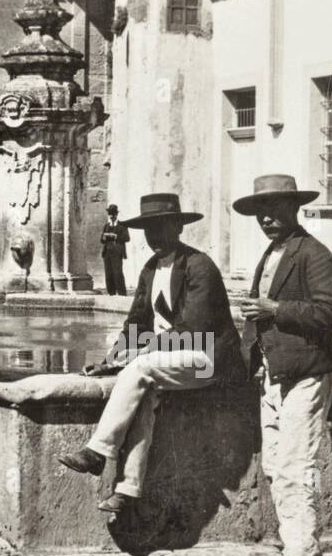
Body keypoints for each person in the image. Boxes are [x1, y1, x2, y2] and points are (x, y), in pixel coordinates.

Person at [57, 192, 245, 521]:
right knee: (142, 386)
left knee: (143, 366)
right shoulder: (149, 268)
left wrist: (143, 351)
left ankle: (99, 451)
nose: (155, 237)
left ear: (178, 228)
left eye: (161, 228)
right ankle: (127, 489)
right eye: (149, 230)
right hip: (171, 362)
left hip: (210, 362)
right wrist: (112, 360)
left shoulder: (199, 266)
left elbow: (194, 328)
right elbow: (136, 322)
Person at [234, 174, 332, 556]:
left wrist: (275, 310)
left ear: (293, 209)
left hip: (305, 374)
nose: (266, 218)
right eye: (260, 212)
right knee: (275, 465)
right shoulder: (272, 254)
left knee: (296, 466)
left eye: (275, 209)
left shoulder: (312, 253)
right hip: (274, 375)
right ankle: (293, 551)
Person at [100, 202, 129, 295]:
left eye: (113, 213)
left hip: (117, 252)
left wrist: (115, 236)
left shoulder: (122, 225)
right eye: (110, 214)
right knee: (108, 274)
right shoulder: (106, 226)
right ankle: (111, 293)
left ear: (116, 214)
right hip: (107, 252)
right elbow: (102, 240)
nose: (111, 216)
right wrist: (104, 237)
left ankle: (122, 294)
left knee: (118, 273)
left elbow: (127, 238)